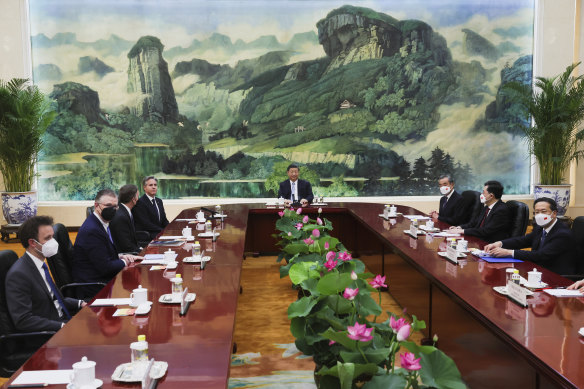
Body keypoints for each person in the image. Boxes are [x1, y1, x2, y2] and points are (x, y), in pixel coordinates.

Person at [5, 216, 85, 332]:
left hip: (62, 322)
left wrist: (80, 303)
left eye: (52, 236)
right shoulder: (19, 274)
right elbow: (23, 320)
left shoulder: (40, 264)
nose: (53, 242)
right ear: (32, 243)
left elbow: (54, 299)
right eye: (48, 238)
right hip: (47, 334)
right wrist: (62, 327)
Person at [72, 189, 139, 299]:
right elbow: (105, 267)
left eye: (115, 206)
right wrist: (124, 261)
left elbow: (102, 255)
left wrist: (121, 256)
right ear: (96, 205)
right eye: (108, 205)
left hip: (104, 280)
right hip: (95, 287)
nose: (112, 209)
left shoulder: (102, 223)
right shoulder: (92, 230)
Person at [484, 197, 576, 275]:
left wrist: (509, 252)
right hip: (538, 271)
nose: (540, 215)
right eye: (537, 212)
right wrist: (499, 243)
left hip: (556, 275)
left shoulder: (562, 234)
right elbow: (523, 240)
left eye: (544, 211)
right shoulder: (541, 228)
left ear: (554, 213)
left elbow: (541, 255)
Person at [110, 184, 141, 254]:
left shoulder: (124, 210)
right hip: (126, 256)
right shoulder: (121, 216)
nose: (138, 199)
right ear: (133, 199)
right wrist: (143, 252)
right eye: (138, 196)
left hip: (132, 251)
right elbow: (126, 245)